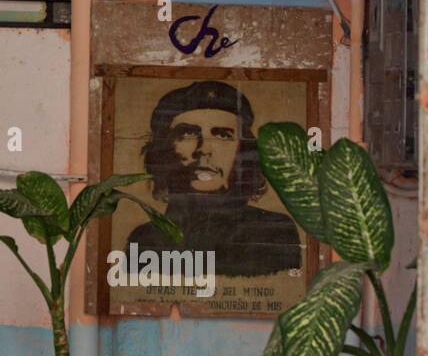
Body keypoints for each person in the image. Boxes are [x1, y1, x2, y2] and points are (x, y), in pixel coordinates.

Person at [124, 80, 302, 277]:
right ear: (164, 150)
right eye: (188, 133)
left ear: (243, 152)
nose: (204, 149)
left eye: (223, 136)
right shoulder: (145, 239)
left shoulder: (272, 232)